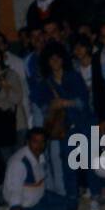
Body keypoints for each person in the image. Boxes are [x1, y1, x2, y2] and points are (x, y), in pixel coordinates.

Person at [30, 41, 92, 200]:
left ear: (63, 59)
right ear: (47, 62)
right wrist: (52, 106)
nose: (55, 62)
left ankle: (95, 194)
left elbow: (83, 102)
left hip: (82, 122)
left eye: (58, 58)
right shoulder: (45, 83)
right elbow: (43, 108)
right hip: (64, 127)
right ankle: (72, 197)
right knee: (68, 163)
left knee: (89, 160)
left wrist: (64, 102)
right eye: (52, 59)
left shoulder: (73, 76)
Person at [4, 127, 76, 210]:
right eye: (35, 142)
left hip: (40, 196)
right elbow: (14, 189)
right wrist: (16, 209)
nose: (39, 145)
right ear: (28, 142)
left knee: (73, 204)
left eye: (42, 142)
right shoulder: (20, 162)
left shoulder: (39, 155)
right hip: (27, 204)